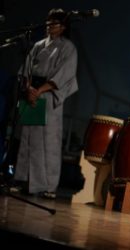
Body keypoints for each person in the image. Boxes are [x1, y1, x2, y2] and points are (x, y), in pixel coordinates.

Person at [11, 8, 78, 199]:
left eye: (55, 23)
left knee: (48, 141)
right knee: (27, 139)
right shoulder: (38, 45)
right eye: (49, 22)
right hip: (31, 93)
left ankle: (48, 186)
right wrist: (29, 88)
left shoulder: (68, 48)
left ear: (63, 27)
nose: (50, 26)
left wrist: (39, 91)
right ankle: (22, 179)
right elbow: (25, 70)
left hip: (49, 95)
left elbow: (65, 74)